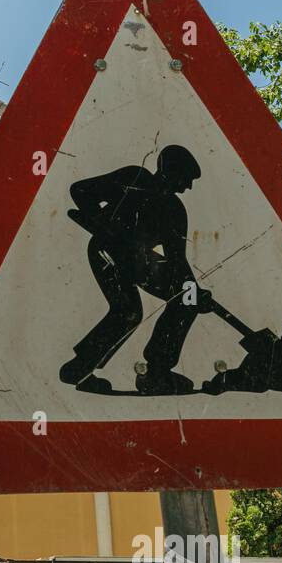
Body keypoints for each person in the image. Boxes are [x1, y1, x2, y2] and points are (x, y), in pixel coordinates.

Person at [58, 144, 212, 395]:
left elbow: (177, 261)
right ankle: (79, 367)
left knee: (187, 299)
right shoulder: (134, 178)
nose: (188, 187)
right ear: (169, 171)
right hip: (107, 252)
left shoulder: (174, 210)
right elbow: (80, 191)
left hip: (141, 262)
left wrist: (194, 291)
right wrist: (103, 224)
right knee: (128, 311)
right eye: (186, 179)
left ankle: (158, 372)